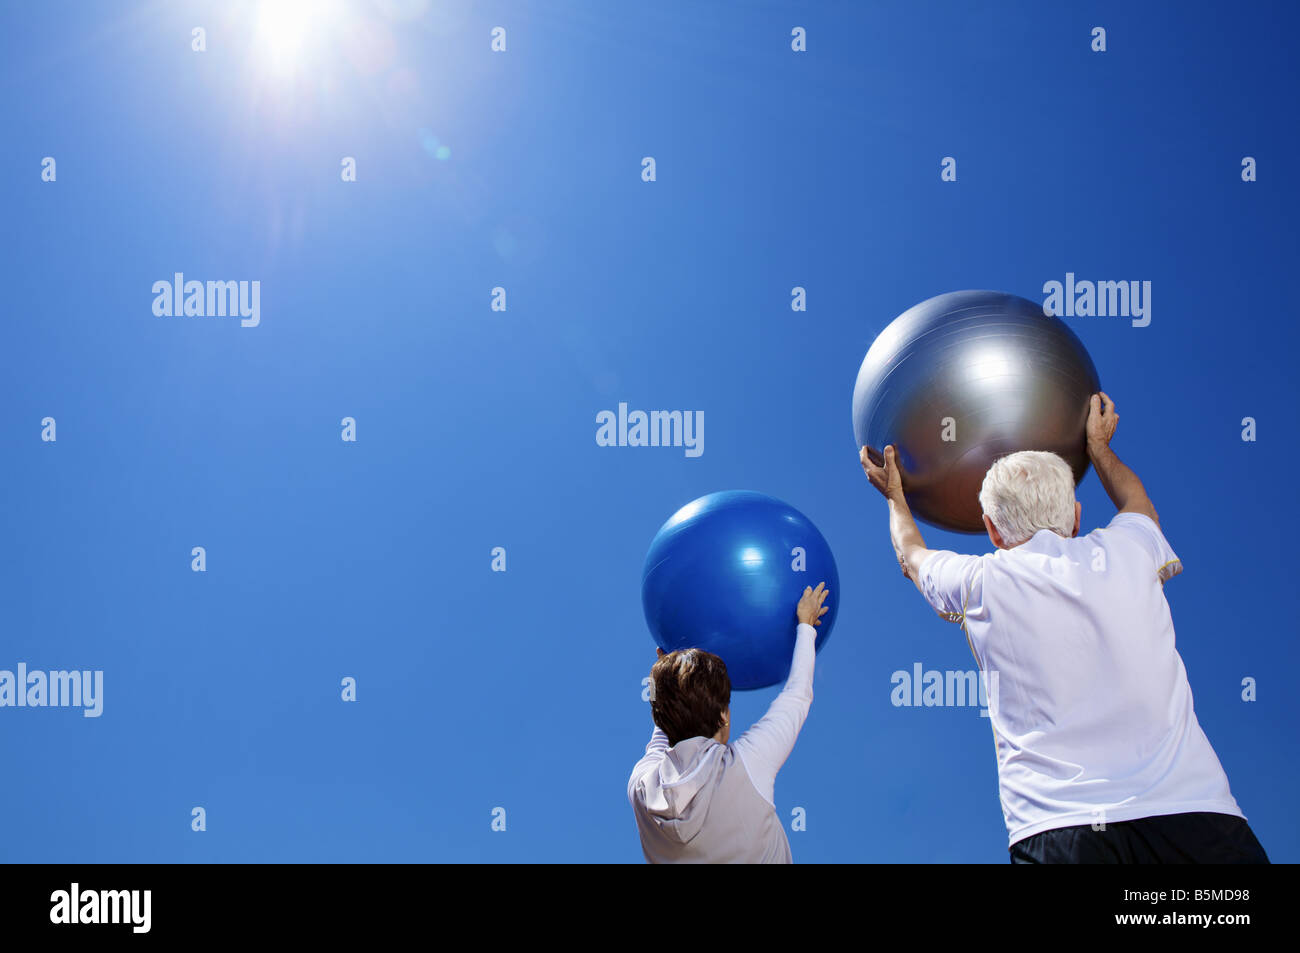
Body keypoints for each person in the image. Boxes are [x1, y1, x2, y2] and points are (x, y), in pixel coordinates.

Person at [860, 392, 1268, 864]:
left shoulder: (982, 582)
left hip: (1060, 830)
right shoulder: (1130, 550)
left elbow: (912, 557)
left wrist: (896, 497)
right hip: (1196, 819)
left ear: (992, 530)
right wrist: (1099, 448)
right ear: (1076, 518)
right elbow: (1138, 504)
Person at [627, 582, 830, 863]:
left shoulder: (642, 787)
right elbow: (797, 695)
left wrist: (671, 673)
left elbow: (663, 730)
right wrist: (806, 625)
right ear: (723, 715)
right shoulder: (747, 765)